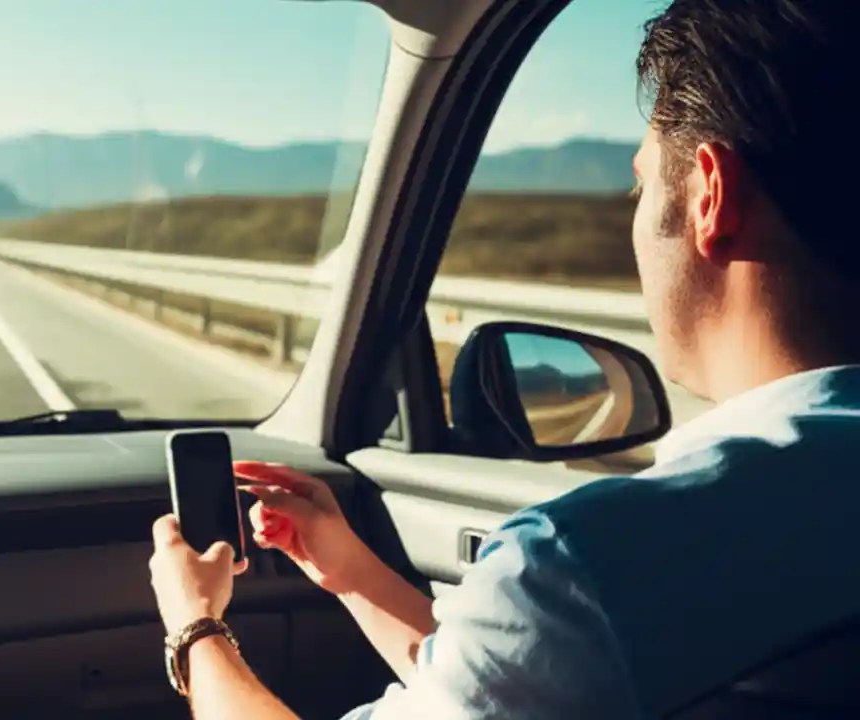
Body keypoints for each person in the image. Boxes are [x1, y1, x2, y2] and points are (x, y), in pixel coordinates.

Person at [148, 0, 860, 717]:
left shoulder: (588, 565)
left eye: (641, 186)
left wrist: (195, 625)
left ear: (711, 197)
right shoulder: (633, 587)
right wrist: (353, 572)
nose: (637, 218)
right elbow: (520, 689)